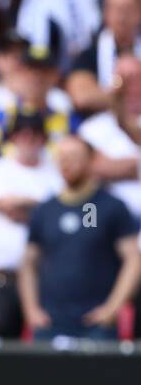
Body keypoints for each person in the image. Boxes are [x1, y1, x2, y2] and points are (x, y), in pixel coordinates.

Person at [20, 134, 141, 339]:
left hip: (96, 325)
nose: (66, 162)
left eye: (74, 156)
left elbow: (133, 260)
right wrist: (31, 310)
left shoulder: (111, 207)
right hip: (50, 323)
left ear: (91, 161)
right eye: (62, 157)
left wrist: (112, 308)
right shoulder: (45, 210)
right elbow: (29, 263)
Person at [0, 111, 60, 338]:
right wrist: (42, 209)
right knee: (4, 351)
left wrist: (27, 206)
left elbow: (58, 217)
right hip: (4, 276)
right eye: (23, 134)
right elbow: (7, 206)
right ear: (13, 138)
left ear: (44, 139)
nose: (29, 140)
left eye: (35, 134)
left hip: (44, 276)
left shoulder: (56, 173)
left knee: (45, 348)